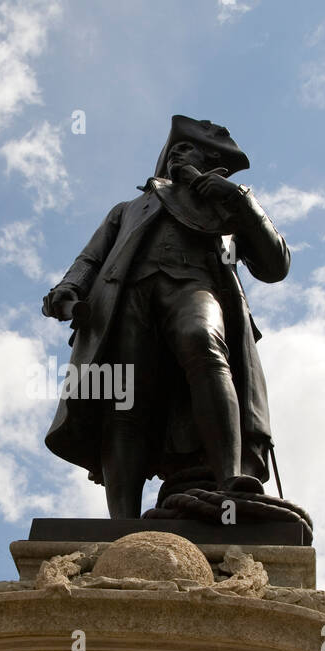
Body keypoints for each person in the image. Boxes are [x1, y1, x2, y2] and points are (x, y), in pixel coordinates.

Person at [42, 116, 291, 519]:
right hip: (125, 298)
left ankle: (230, 479)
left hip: (194, 285)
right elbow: (91, 258)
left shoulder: (224, 204)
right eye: (173, 148)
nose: (177, 152)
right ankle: (122, 521)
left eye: (188, 148)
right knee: (124, 401)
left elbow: (274, 265)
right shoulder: (128, 209)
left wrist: (239, 199)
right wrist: (68, 288)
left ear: (212, 161)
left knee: (202, 341)